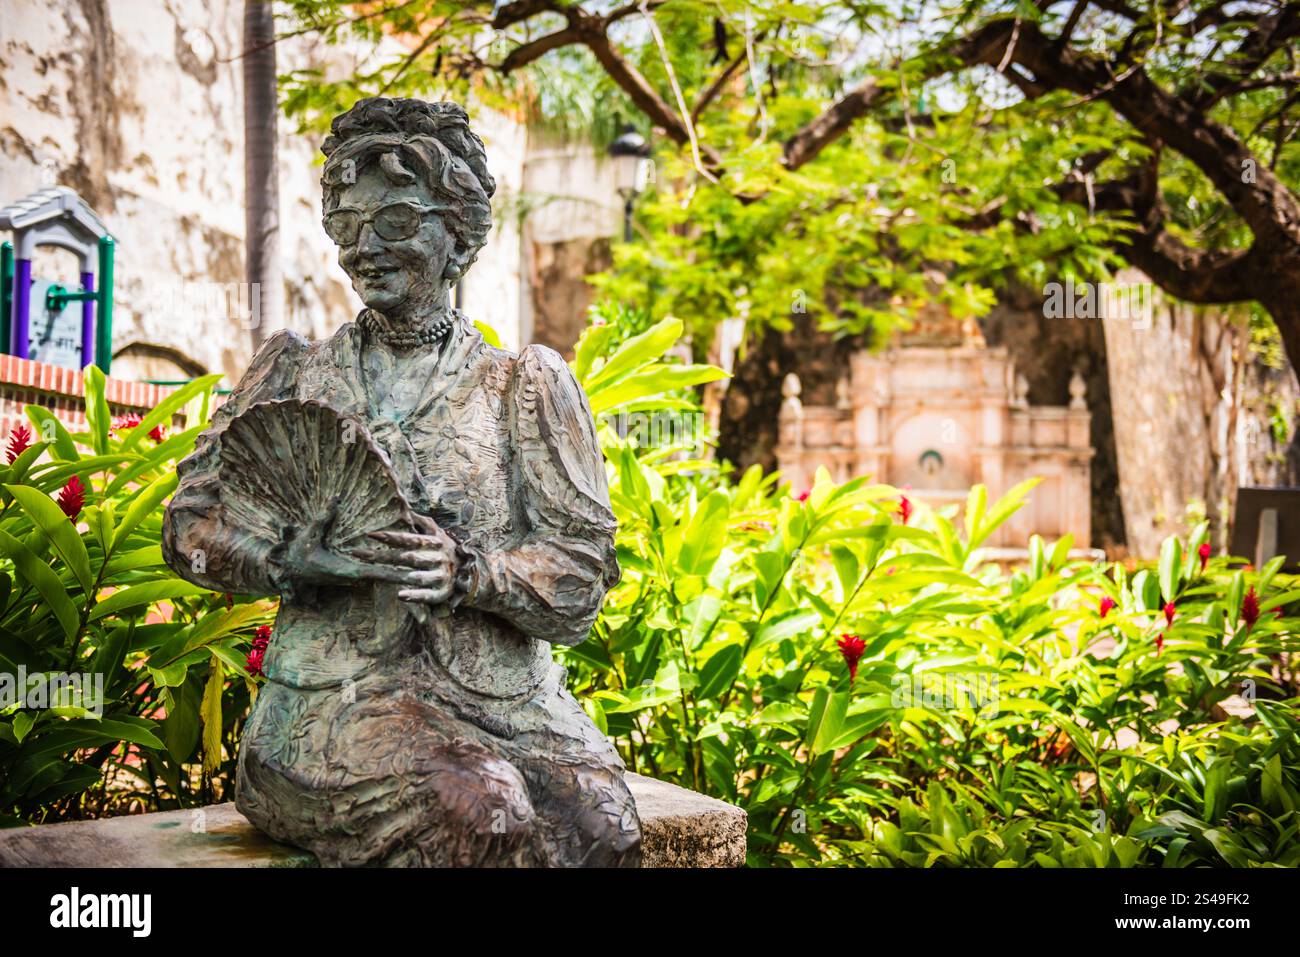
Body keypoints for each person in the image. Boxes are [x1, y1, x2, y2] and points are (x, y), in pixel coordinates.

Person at [163, 98, 640, 867]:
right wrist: (290, 559)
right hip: (334, 705)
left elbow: (580, 577)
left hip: (509, 702)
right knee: (485, 812)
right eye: (347, 229)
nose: (363, 251)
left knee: (606, 827)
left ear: (459, 233)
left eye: (391, 224)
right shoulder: (294, 373)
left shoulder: (522, 385)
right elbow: (188, 528)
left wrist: (473, 572)